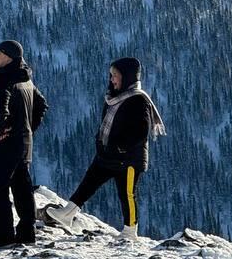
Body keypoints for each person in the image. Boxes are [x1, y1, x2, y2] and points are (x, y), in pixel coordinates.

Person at [45, 56, 165, 240]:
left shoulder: (138, 100)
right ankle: (67, 213)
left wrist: (122, 148)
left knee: (127, 194)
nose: (112, 79)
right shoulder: (113, 97)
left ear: (128, 77)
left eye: (115, 75)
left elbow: (141, 130)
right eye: (111, 75)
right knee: (89, 182)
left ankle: (130, 231)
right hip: (108, 153)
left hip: (129, 159)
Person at [0, 40, 48, 247]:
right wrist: (28, 128)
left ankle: (3, 236)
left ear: (8, 58)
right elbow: (41, 104)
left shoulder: (5, 80)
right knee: (23, 187)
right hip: (24, 143)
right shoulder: (25, 79)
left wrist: (1, 131)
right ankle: (27, 233)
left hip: (6, 146)